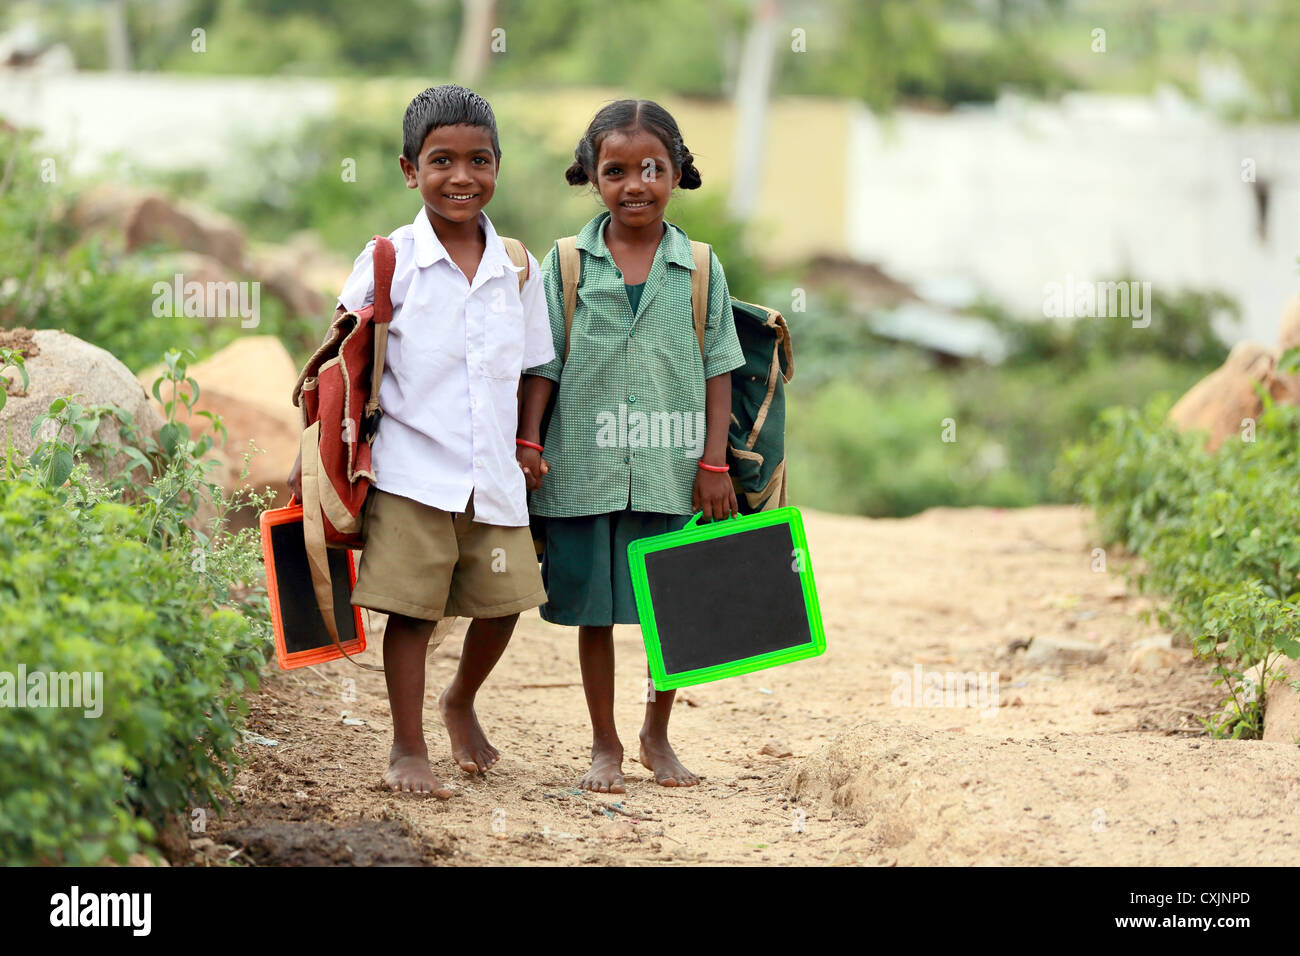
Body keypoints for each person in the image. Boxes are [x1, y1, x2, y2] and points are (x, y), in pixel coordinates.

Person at [288, 85, 553, 797]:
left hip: (494, 473)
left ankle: (459, 699)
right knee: (411, 613)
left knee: (505, 602)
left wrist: (529, 442)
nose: (461, 176)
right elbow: (341, 364)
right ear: (410, 170)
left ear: (499, 165)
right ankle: (408, 749)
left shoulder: (518, 268)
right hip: (409, 472)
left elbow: (536, 366)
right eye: (442, 161)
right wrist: (320, 457)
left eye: (479, 160)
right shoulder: (388, 261)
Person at [517, 99, 745, 794]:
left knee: (674, 612)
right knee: (594, 614)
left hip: (673, 473)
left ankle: (656, 734)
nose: (634, 184)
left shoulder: (700, 267)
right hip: (582, 471)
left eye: (651, 168)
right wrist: (527, 441)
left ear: (677, 173)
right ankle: (604, 743)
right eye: (615, 170)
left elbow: (719, 371)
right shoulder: (565, 265)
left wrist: (713, 465)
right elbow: (543, 366)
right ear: (591, 176)